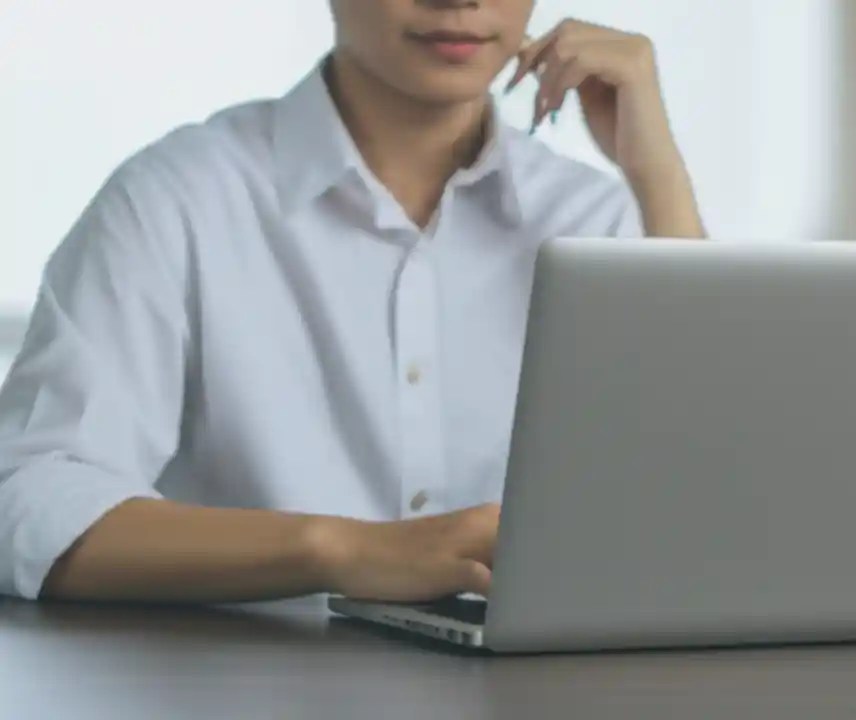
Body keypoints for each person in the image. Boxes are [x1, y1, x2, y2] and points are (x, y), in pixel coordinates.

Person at [0, 0, 704, 603]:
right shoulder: (179, 200)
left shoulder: (598, 220)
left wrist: (658, 173)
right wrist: (340, 550)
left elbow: (712, 508)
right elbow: (29, 499)